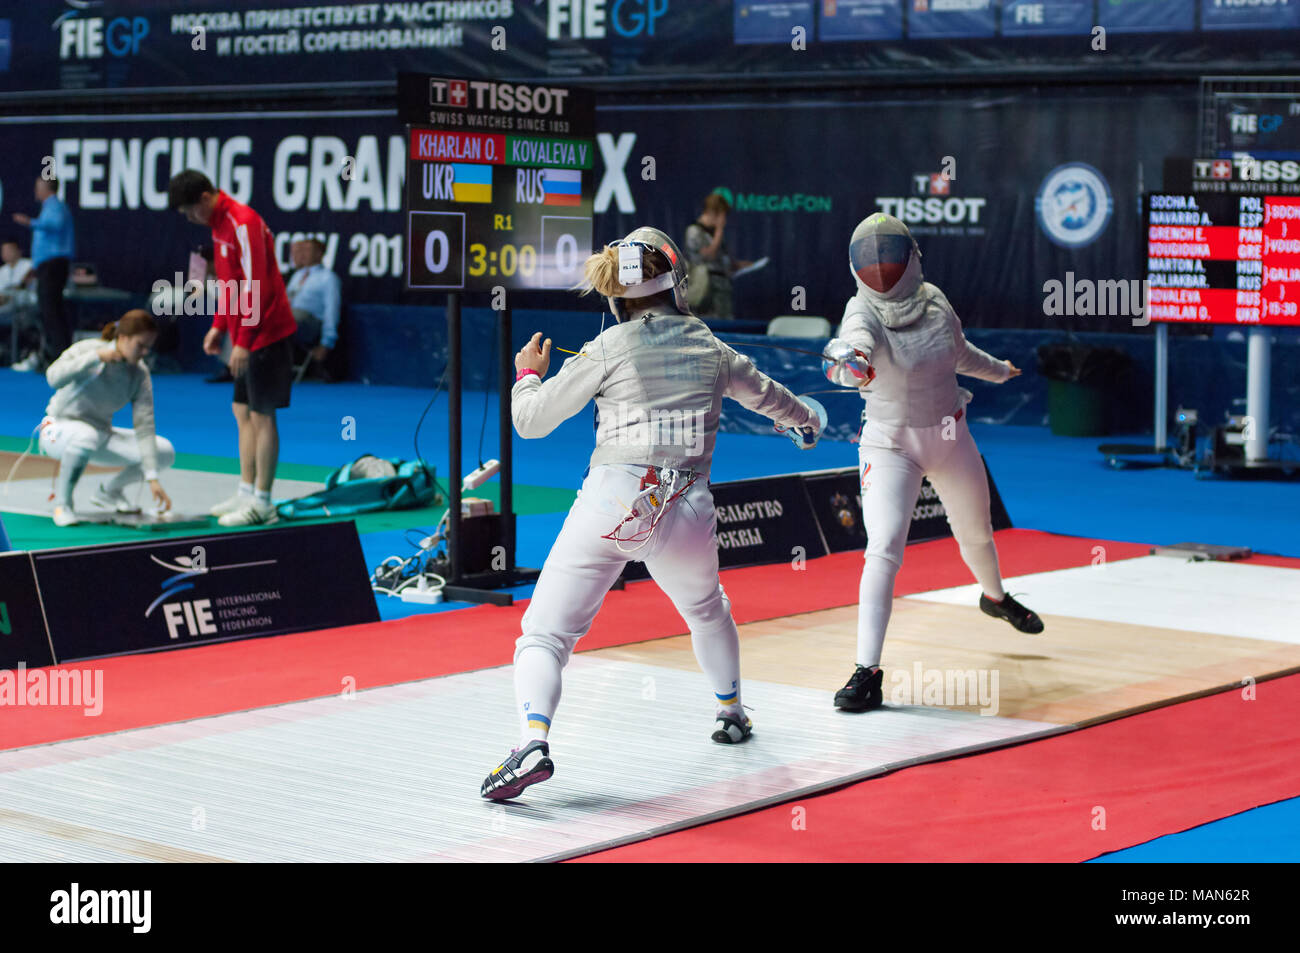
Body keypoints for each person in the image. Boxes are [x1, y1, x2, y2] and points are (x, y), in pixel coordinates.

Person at [480, 226, 823, 801]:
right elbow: (773, 399)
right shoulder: (713, 347)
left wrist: (527, 375)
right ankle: (732, 713)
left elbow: (531, 421)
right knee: (708, 611)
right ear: (676, 285)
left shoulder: (607, 348)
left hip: (611, 501)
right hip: (685, 509)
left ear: (619, 294)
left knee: (544, 634)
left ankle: (532, 742)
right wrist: (805, 421)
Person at [821, 212, 1044, 713]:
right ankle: (867, 671)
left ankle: (995, 598)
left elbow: (956, 353)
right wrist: (848, 362)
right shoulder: (863, 315)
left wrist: (998, 372)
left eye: (892, 259)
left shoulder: (936, 301)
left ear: (913, 257)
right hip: (890, 445)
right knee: (883, 549)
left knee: (977, 534)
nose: (883, 268)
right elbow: (849, 358)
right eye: (874, 263)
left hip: (950, 434)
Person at [168, 170, 297, 526]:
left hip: (266, 333)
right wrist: (219, 326)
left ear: (206, 198)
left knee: (262, 415)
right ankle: (245, 490)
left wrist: (242, 341)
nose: (190, 218)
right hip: (244, 333)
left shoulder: (243, 222)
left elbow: (259, 286)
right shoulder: (218, 225)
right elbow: (229, 285)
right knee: (242, 413)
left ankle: (264, 502)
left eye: (190, 211)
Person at [39, 310, 175, 527]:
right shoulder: (89, 350)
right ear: (123, 338)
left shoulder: (139, 373)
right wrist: (95, 358)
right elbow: (53, 378)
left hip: (99, 434)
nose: (145, 352)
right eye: (140, 345)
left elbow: (144, 425)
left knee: (164, 451)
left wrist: (152, 477)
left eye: (148, 346)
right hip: (56, 430)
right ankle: (63, 504)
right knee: (85, 436)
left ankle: (109, 492)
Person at [12, 177, 75, 369]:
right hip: (48, 266)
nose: (35, 191)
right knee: (49, 309)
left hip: (53, 265)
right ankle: (56, 353)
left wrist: (30, 222)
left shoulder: (56, 207)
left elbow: (54, 224)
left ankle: (59, 355)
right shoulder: (49, 207)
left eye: (38, 187)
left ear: (47, 189)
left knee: (51, 309)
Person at [683, 191, 755, 320]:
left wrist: (738, 265)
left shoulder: (714, 234)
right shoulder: (694, 231)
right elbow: (708, 255)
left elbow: (721, 258)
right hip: (707, 291)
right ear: (712, 212)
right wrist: (720, 229)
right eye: (722, 215)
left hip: (723, 289)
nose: (724, 220)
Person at [285, 237, 342, 381]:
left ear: (319, 254)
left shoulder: (328, 278)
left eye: (307, 250)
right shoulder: (297, 276)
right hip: (289, 319)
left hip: (310, 324)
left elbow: (332, 311)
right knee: (254, 316)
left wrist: (326, 343)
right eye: (301, 250)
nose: (302, 254)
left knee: (288, 317)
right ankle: (236, 367)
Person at [0, 239, 38, 368]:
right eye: (4, 251)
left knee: (24, 317)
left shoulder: (30, 266)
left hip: (29, 308)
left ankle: (30, 355)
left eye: (9, 250)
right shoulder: (2, 271)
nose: (6, 253)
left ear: (19, 251)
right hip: (5, 310)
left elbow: (22, 288)